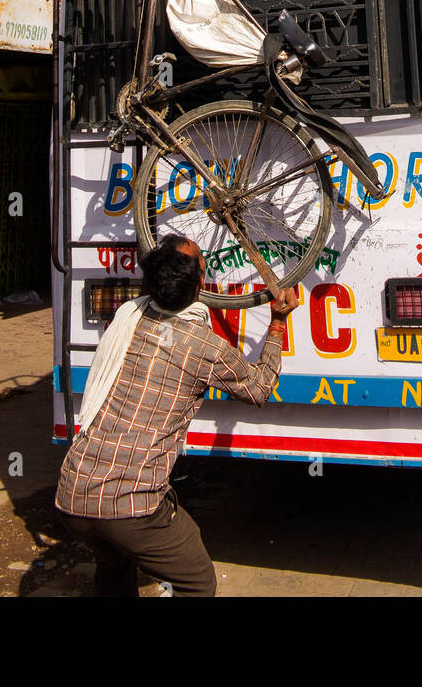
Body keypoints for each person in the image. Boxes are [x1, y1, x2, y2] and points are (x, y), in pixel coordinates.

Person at [54, 235, 299, 597]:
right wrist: (277, 322)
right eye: (202, 264)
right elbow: (259, 389)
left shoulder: (129, 318)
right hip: (131, 505)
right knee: (197, 581)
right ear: (200, 286)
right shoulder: (206, 347)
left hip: (72, 495)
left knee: (115, 562)